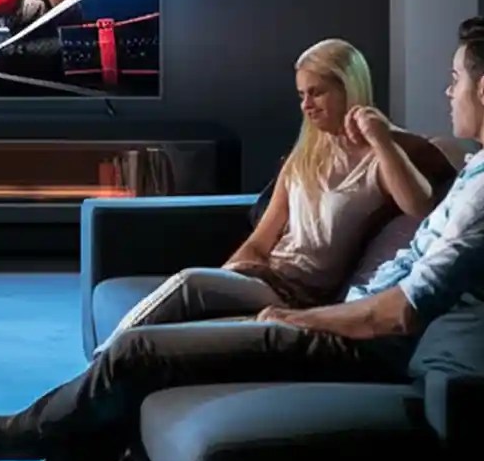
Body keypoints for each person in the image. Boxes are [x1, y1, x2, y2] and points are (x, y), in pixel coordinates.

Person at [0, 13, 484, 461]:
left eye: (455, 79)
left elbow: (402, 311)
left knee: (138, 354)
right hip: (347, 324)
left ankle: (21, 431)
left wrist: (308, 320)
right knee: (150, 359)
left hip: (358, 343)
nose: (448, 92)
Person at [96, 38, 456, 353]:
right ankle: (123, 356)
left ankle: (106, 357)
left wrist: (381, 138)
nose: (306, 105)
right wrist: (228, 279)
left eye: (317, 92)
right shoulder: (306, 153)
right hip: (264, 277)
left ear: (349, 88)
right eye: (301, 94)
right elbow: (261, 241)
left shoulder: (381, 158)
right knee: (198, 293)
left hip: (297, 292)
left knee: (188, 283)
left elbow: (420, 205)